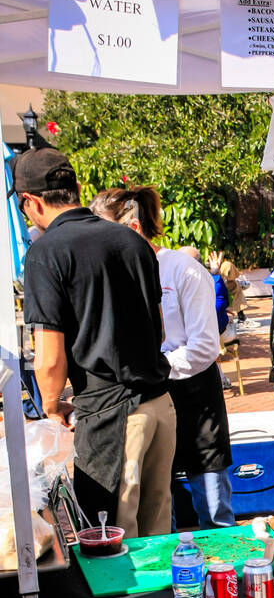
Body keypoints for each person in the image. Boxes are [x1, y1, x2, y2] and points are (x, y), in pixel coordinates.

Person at [15, 148, 175, 537]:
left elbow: (49, 356)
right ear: (77, 189)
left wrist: (50, 408)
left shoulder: (45, 253)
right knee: (156, 533)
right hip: (160, 405)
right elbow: (160, 330)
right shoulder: (132, 241)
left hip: (112, 417)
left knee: (112, 540)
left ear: (30, 202)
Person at [92, 187, 235, 529]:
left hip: (195, 397)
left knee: (213, 508)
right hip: (146, 399)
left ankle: (225, 577)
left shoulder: (184, 271)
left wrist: (153, 367)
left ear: (134, 229)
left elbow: (204, 346)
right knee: (156, 508)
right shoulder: (114, 275)